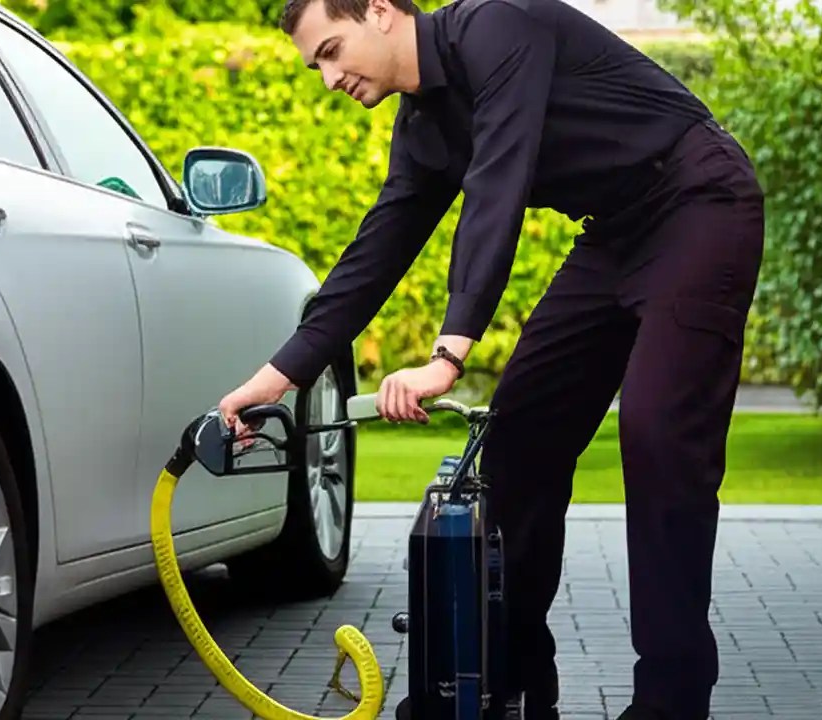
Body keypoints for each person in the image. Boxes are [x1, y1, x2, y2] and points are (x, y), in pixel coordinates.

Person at [216, 0, 765, 717]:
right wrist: (270, 383)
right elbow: (373, 258)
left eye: (330, 50)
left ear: (379, 11)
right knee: (520, 438)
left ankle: (672, 698)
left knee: (659, 437)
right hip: (613, 236)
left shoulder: (498, 27)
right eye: (316, 63)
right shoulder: (422, 129)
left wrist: (448, 354)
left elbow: (498, 183)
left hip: (700, 202)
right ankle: (509, 676)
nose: (328, 78)